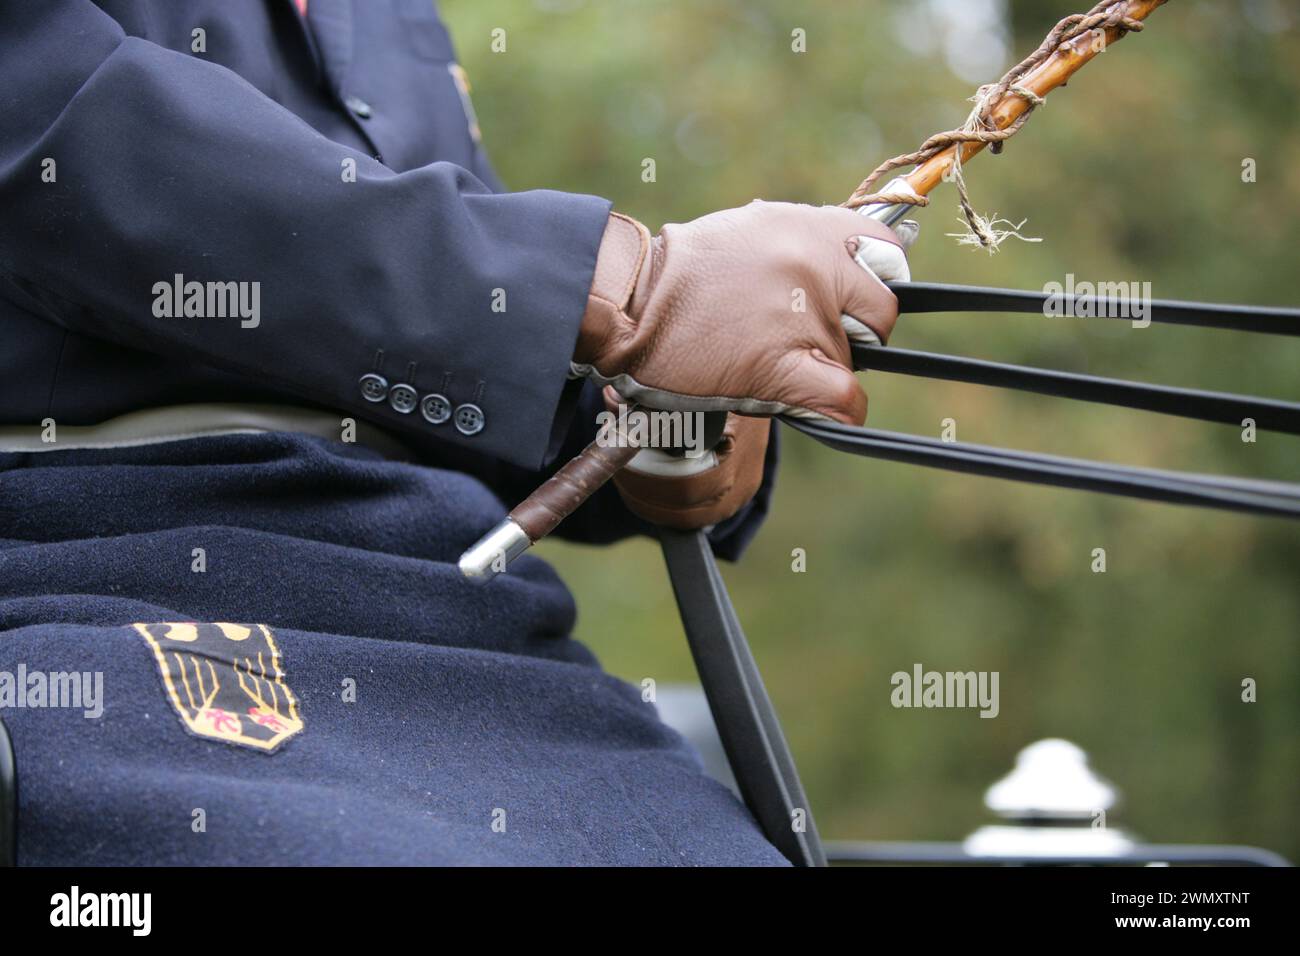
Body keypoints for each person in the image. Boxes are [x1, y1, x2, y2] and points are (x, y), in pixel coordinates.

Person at [0, 0, 907, 865]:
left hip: (451, 616)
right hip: (97, 572)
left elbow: (469, 340)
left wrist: (661, 412)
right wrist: (619, 288)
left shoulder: (396, 19)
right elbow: (58, 132)